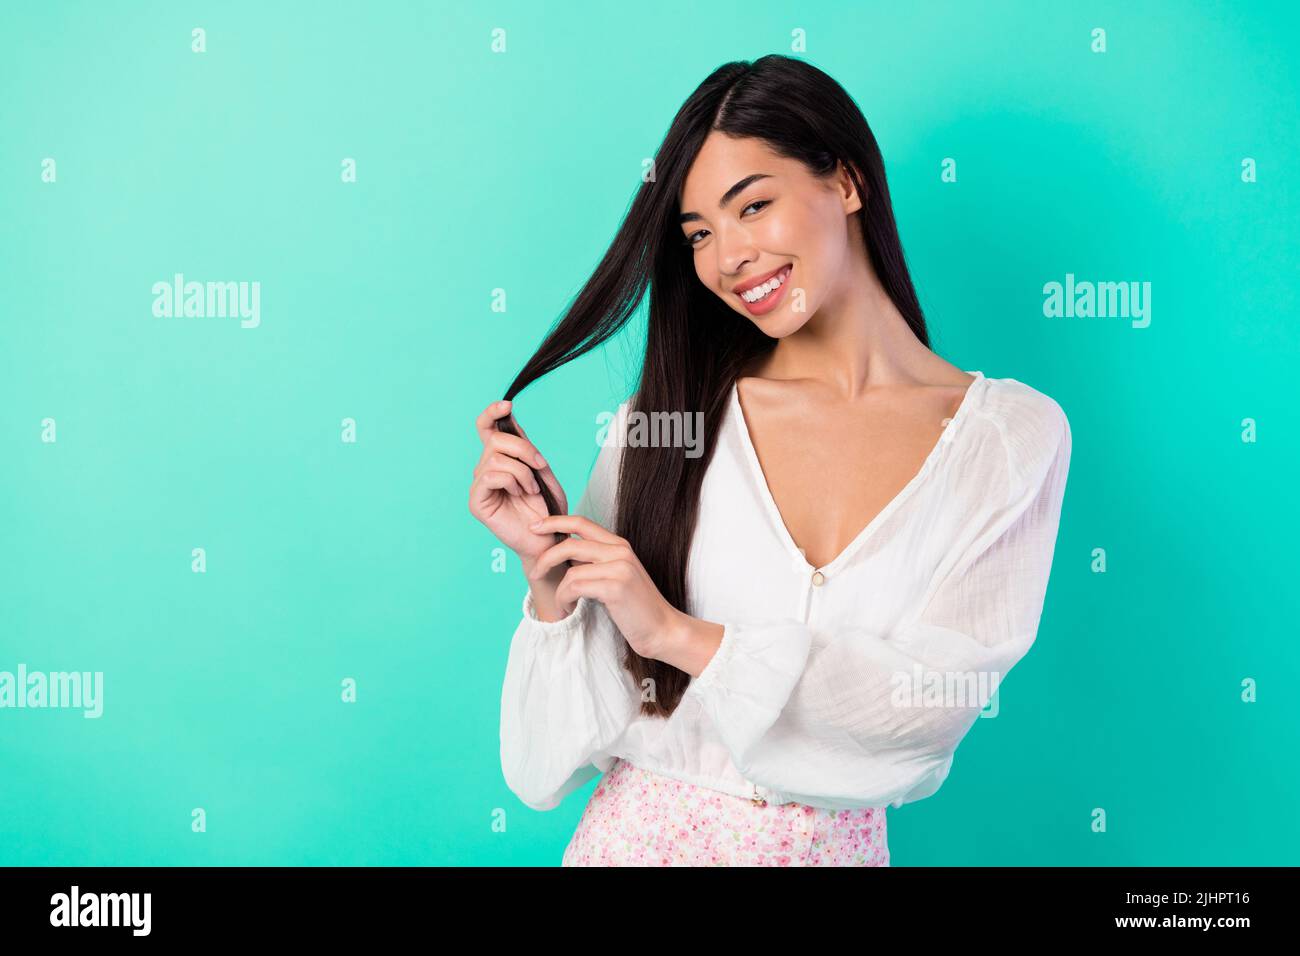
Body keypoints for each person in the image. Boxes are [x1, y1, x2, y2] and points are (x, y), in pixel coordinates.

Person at [469, 55, 1071, 866]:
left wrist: (677, 634)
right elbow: (546, 770)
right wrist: (549, 584)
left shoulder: (1011, 437)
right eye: (700, 236)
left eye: (753, 206)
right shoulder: (668, 426)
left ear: (847, 182)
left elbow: (929, 706)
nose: (728, 259)